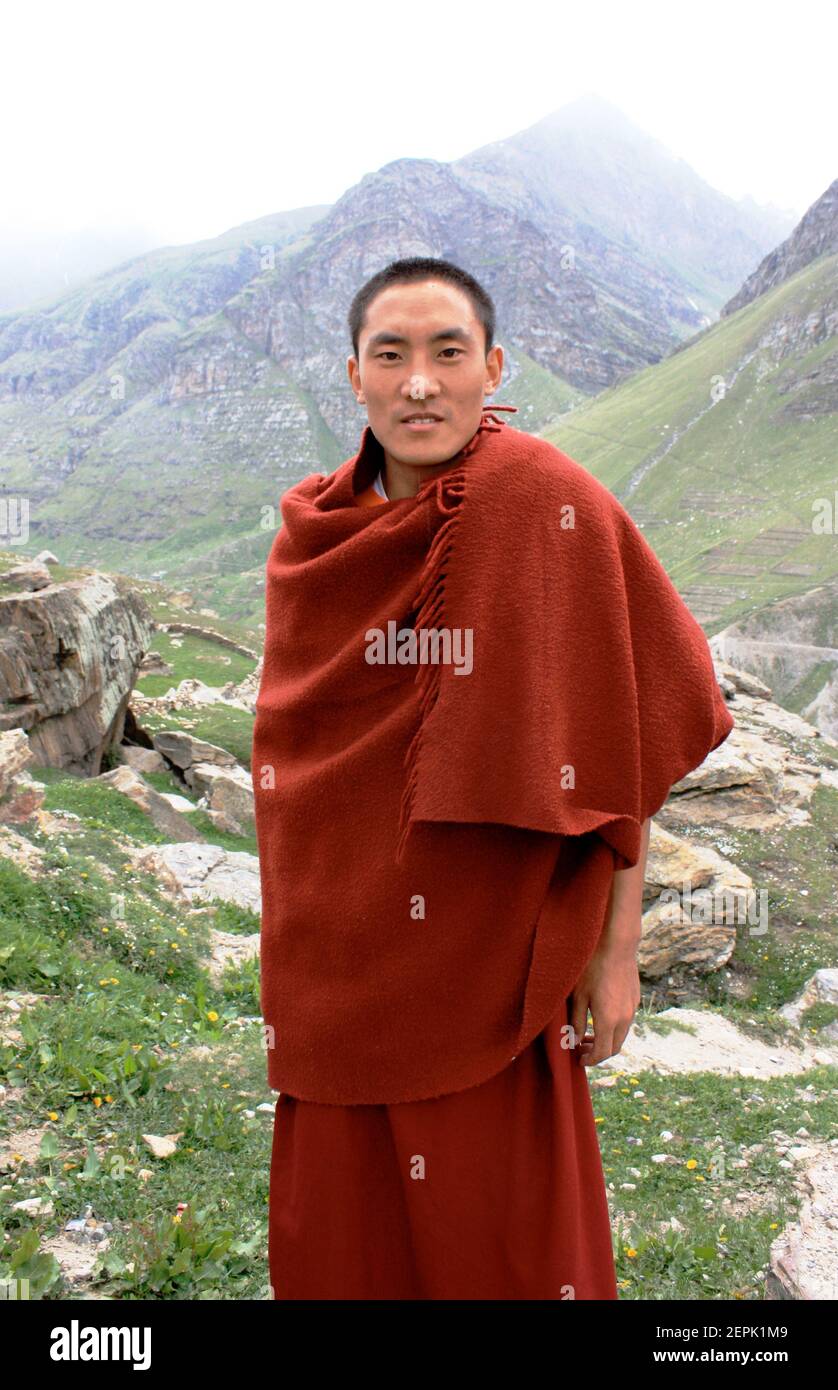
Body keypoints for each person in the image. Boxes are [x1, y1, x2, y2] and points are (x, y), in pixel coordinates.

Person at [252, 256, 735, 1300]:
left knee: (501, 1254)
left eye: (446, 353)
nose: (418, 383)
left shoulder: (541, 502)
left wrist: (615, 952)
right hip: (333, 973)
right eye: (392, 356)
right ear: (354, 376)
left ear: (492, 366)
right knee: (348, 1252)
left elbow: (631, 735)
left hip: (491, 973)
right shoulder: (312, 537)